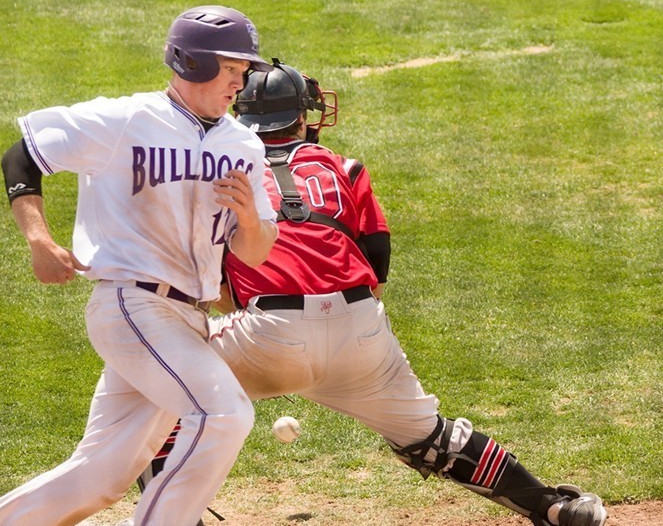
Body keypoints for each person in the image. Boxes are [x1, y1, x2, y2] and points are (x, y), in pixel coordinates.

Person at [137, 60, 608, 526]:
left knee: (154, 400)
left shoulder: (223, 177)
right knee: (431, 437)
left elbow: (214, 288)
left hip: (265, 333)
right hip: (360, 328)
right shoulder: (346, 167)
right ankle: (554, 509)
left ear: (242, 116)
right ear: (303, 115)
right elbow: (375, 275)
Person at [0, 5, 279, 526]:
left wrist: (250, 219)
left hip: (187, 320)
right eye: (231, 68)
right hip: (130, 305)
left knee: (102, 473)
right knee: (224, 413)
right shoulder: (126, 120)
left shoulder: (242, 145)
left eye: (243, 70)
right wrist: (39, 239)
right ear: (194, 63)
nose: (241, 81)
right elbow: (21, 155)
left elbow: (255, 251)